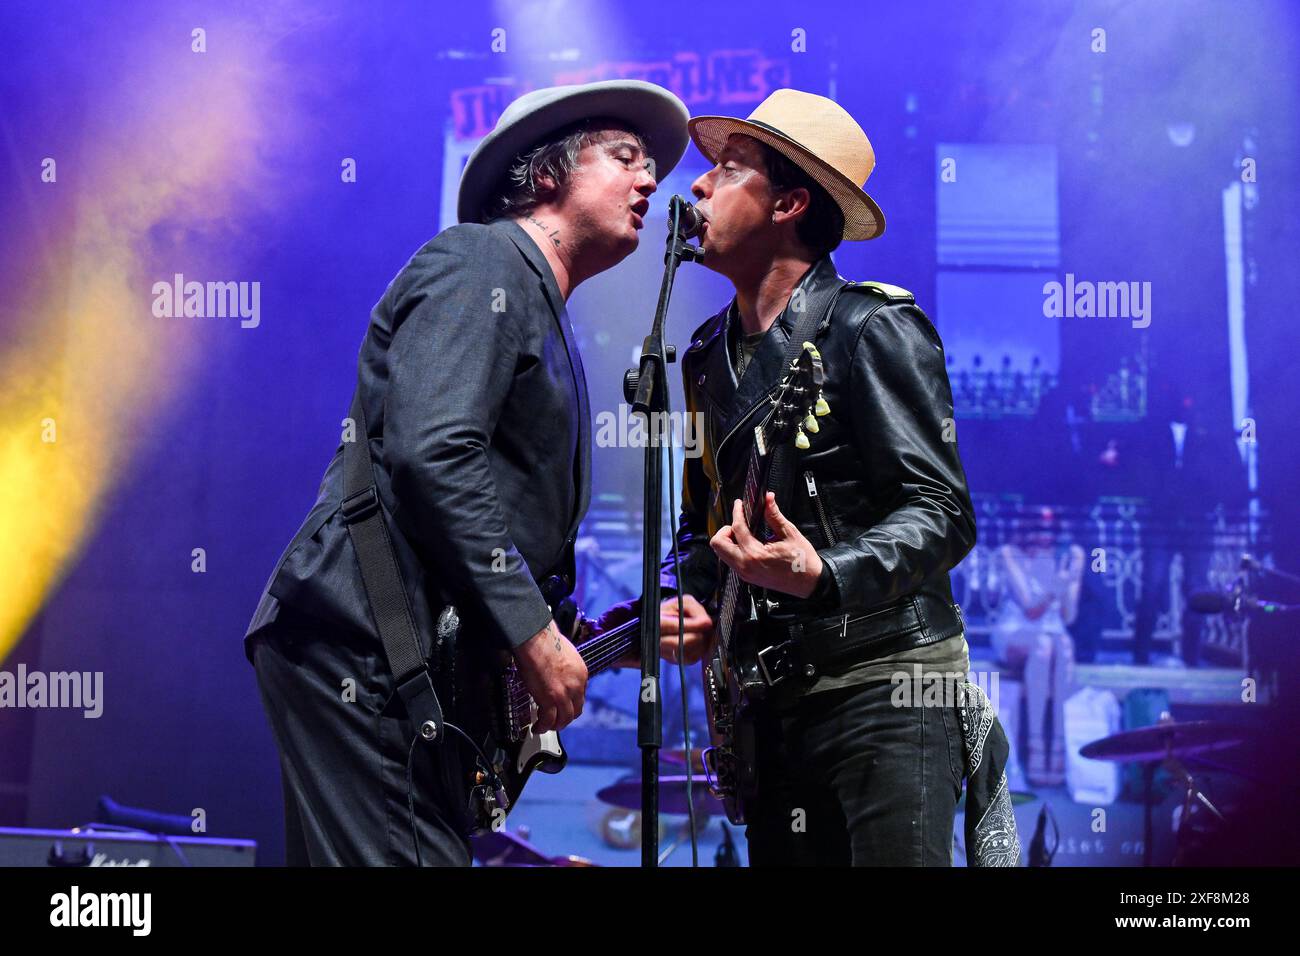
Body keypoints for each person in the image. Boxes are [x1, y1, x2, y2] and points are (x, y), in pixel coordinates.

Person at [243, 80, 689, 866]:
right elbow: (432, 452)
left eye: (650, 165)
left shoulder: (533, 300)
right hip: (366, 652)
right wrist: (530, 632)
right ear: (546, 174)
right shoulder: (481, 259)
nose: (650, 180)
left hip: (404, 663)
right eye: (625, 157)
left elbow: (482, 519)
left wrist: (607, 636)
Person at [606, 88, 1010, 865]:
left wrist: (825, 571)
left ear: (789, 202)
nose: (696, 186)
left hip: (887, 690)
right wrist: (676, 598)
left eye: (727, 170)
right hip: (771, 708)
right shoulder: (700, 357)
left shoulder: (872, 327)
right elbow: (702, 528)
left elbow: (942, 511)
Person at [990, 506, 1083, 787]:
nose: (1044, 537)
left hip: (1052, 636)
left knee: (1060, 645)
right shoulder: (1010, 553)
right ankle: (1036, 749)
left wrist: (1067, 585)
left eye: (1049, 530)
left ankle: (1054, 744)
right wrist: (1056, 586)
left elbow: (1069, 616)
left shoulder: (1072, 555)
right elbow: (1030, 609)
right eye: (1038, 530)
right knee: (1047, 645)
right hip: (1015, 630)